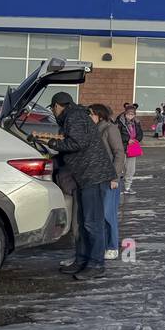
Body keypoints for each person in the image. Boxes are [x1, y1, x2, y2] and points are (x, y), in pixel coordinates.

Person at [49, 92, 118, 280]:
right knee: (82, 221)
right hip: (83, 175)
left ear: (57, 106)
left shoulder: (74, 116)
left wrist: (53, 143)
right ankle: (82, 260)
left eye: (53, 108)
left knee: (92, 222)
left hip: (93, 176)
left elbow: (77, 143)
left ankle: (96, 264)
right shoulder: (75, 115)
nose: (54, 112)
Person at [90, 104, 126, 260]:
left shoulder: (110, 129)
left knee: (108, 214)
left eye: (90, 114)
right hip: (96, 178)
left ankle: (112, 246)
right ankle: (103, 245)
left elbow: (119, 153)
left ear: (99, 115)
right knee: (99, 215)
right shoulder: (93, 130)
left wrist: (115, 177)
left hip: (109, 178)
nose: (88, 117)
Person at [117, 103, 144, 196]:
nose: (130, 116)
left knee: (130, 169)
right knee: (119, 168)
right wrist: (127, 140)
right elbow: (116, 135)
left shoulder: (136, 122)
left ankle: (127, 188)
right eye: (129, 114)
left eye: (132, 114)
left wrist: (137, 139)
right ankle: (117, 188)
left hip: (132, 148)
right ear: (125, 113)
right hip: (122, 148)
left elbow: (140, 133)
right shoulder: (119, 122)